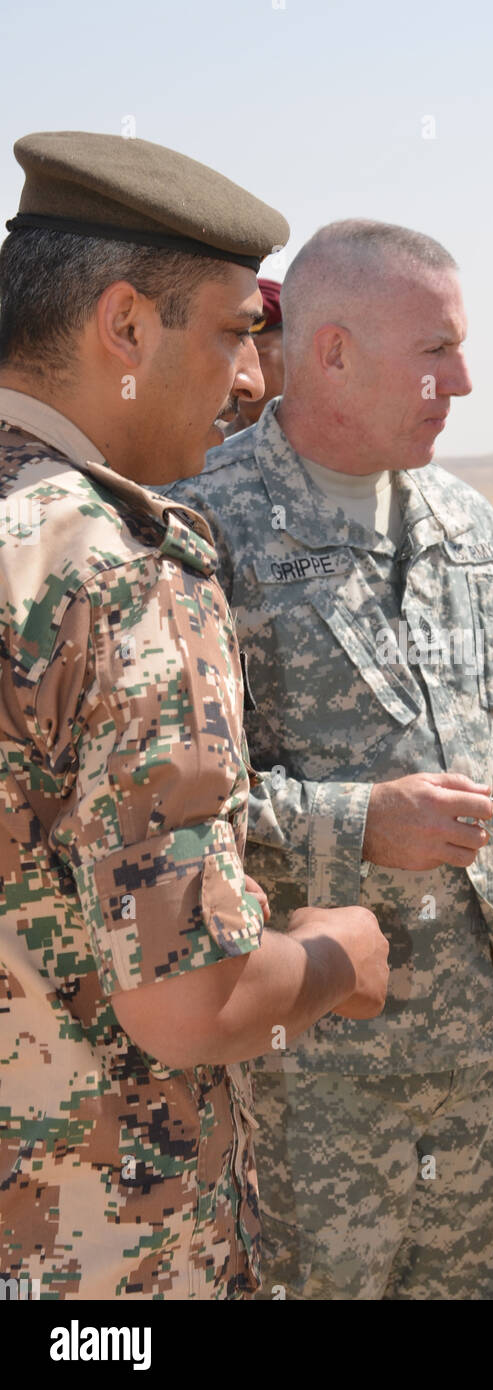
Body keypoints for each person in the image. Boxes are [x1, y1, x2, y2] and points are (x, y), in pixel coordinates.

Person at [166, 218, 493, 1301]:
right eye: (436, 351)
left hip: (480, 1063)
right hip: (307, 1075)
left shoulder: (470, 527)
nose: (465, 380)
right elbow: (161, 812)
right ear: (331, 351)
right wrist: (353, 825)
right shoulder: (203, 526)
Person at [0, 133, 388, 1301]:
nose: (251, 381)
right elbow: (194, 1001)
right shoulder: (116, 568)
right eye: (231, 332)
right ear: (124, 325)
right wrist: (335, 956)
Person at [225, 276, 284, 436]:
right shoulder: (204, 449)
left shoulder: (323, 449)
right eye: (232, 356)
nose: (241, 375)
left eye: (260, 354)